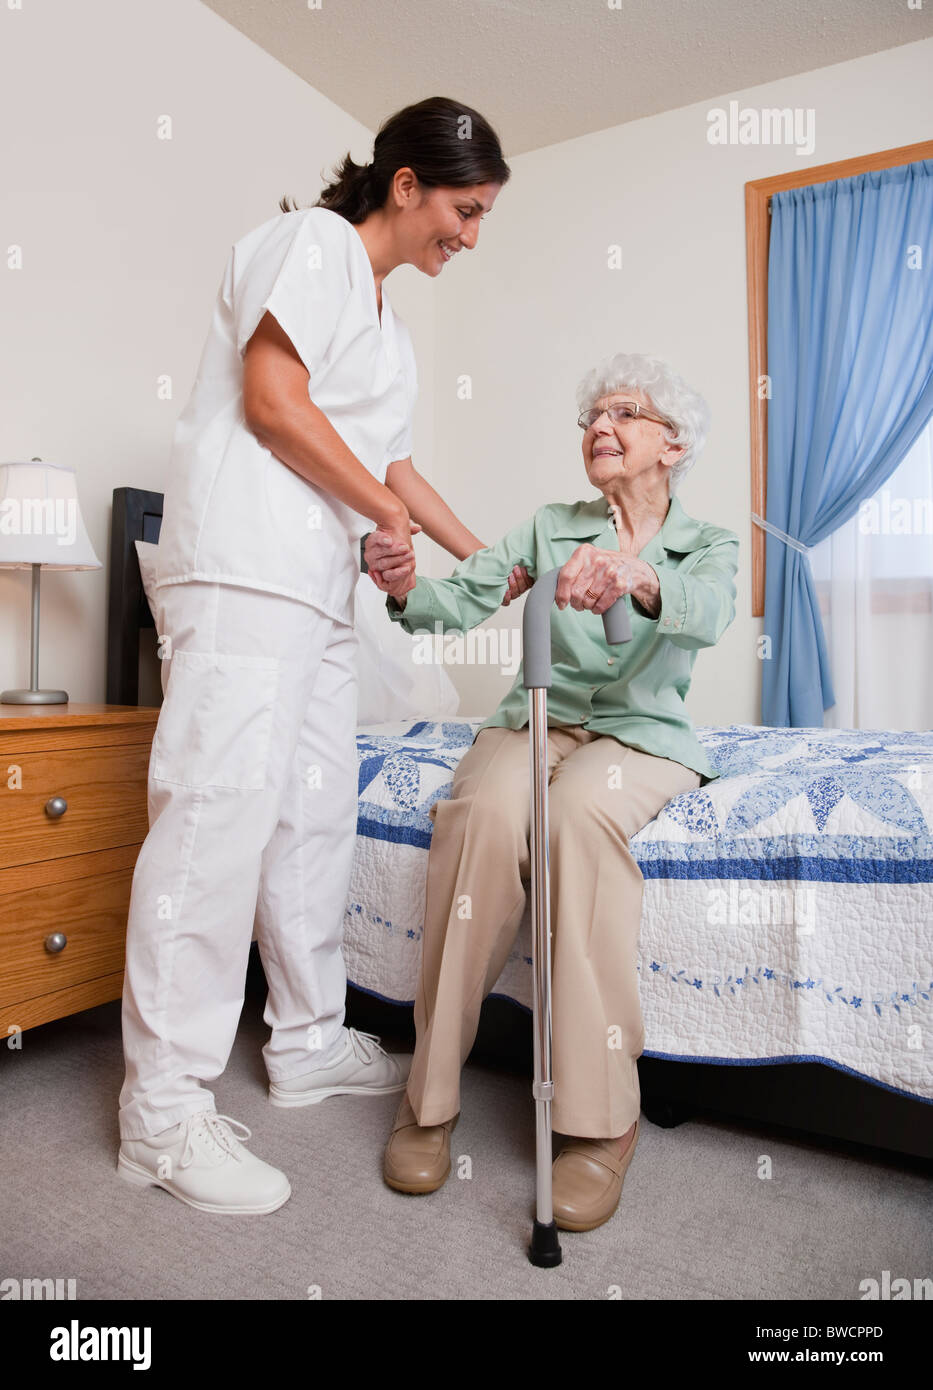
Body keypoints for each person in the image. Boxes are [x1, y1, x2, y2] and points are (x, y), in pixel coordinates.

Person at [117, 96, 532, 1216]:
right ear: (405, 183)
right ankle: (160, 1111)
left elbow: (390, 468)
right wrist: (377, 524)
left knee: (312, 823)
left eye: (483, 215)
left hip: (318, 597)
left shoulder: (388, 327)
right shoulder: (312, 246)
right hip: (245, 571)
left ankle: (304, 1042)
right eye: (464, 208)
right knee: (214, 823)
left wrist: (489, 559)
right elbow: (272, 400)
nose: (470, 235)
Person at [366, 353, 740, 1232]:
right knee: (486, 817)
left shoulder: (706, 543)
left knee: (574, 817)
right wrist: (401, 584)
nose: (599, 428)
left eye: (623, 414)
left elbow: (711, 609)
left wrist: (638, 576)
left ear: (671, 443)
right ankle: (428, 1100)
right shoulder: (549, 526)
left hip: (639, 739)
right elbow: (458, 599)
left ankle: (600, 1125)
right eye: (590, 417)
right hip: (533, 720)